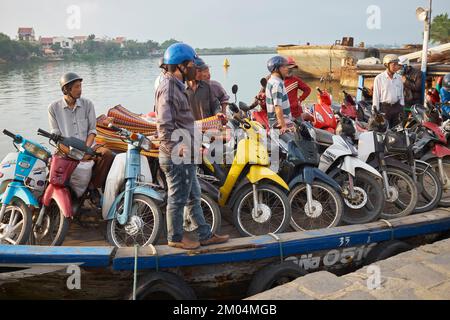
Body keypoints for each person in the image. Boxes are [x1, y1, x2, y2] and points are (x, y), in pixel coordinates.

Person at [155, 43, 229, 250]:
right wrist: (176, 148)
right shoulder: (168, 87)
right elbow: (163, 124)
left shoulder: (177, 86)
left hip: (185, 153)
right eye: (191, 65)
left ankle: (205, 234)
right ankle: (175, 238)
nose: (195, 69)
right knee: (178, 198)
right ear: (181, 65)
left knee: (193, 196)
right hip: (176, 155)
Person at [48, 72, 114, 193]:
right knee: (53, 164)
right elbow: (57, 137)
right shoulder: (53, 108)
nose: (80, 90)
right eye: (76, 87)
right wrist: (75, 155)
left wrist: (86, 150)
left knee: (107, 155)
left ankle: (93, 186)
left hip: (89, 146)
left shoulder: (87, 104)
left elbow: (92, 131)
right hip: (66, 149)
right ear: (66, 90)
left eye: (80, 86)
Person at [372, 54, 405, 128]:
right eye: (394, 65)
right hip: (385, 108)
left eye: (397, 65)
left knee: (397, 131)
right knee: (385, 131)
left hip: (397, 108)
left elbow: (401, 95)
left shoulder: (399, 78)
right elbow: (376, 96)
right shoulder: (379, 78)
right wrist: (375, 112)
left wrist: (402, 108)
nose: (396, 67)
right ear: (387, 65)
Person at [265, 56, 293, 133]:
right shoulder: (276, 84)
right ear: (277, 69)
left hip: (282, 120)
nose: (287, 69)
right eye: (284, 66)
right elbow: (277, 107)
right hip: (280, 123)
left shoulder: (272, 81)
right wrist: (283, 126)